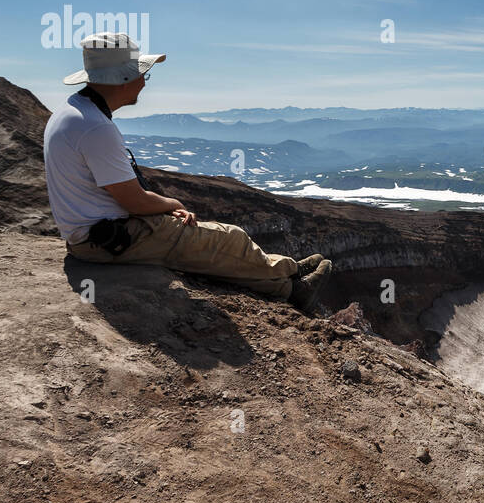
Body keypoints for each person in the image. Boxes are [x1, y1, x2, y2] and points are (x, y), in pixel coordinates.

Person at [44, 32, 332, 311]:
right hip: (110, 240)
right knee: (230, 238)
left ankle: (287, 276)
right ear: (124, 79)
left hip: (94, 236)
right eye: (143, 74)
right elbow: (133, 201)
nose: (144, 82)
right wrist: (173, 205)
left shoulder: (71, 112)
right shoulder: (96, 127)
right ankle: (293, 284)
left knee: (210, 250)